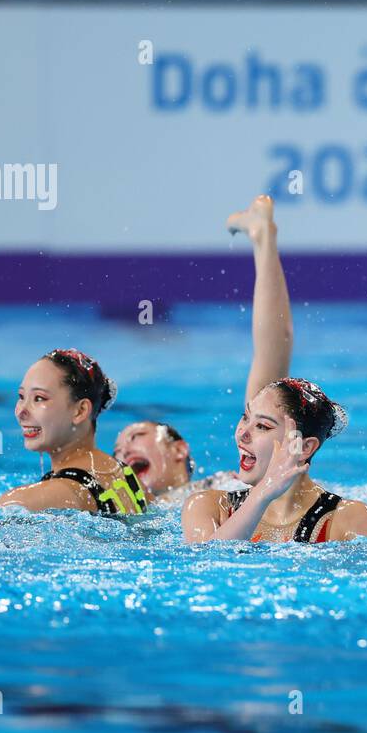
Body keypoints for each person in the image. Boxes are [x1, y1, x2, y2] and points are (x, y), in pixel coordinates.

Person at [113, 195, 293, 504]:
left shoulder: (229, 483)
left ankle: (263, 240)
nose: (124, 452)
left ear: (179, 450)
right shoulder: (126, 511)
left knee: (266, 399)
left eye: (137, 437)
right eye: (116, 453)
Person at [180, 379, 367, 543]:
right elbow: (208, 565)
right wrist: (262, 494)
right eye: (245, 417)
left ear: (305, 448)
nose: (242, 433)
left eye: (262, 426)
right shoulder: (208, 507)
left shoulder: (350, 520)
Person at [0, 348, 146, 515]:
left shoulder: (23, 502)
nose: (21, 411)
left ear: (80, 411)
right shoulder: (127, 476)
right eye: (21, 396)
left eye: (39, 398)